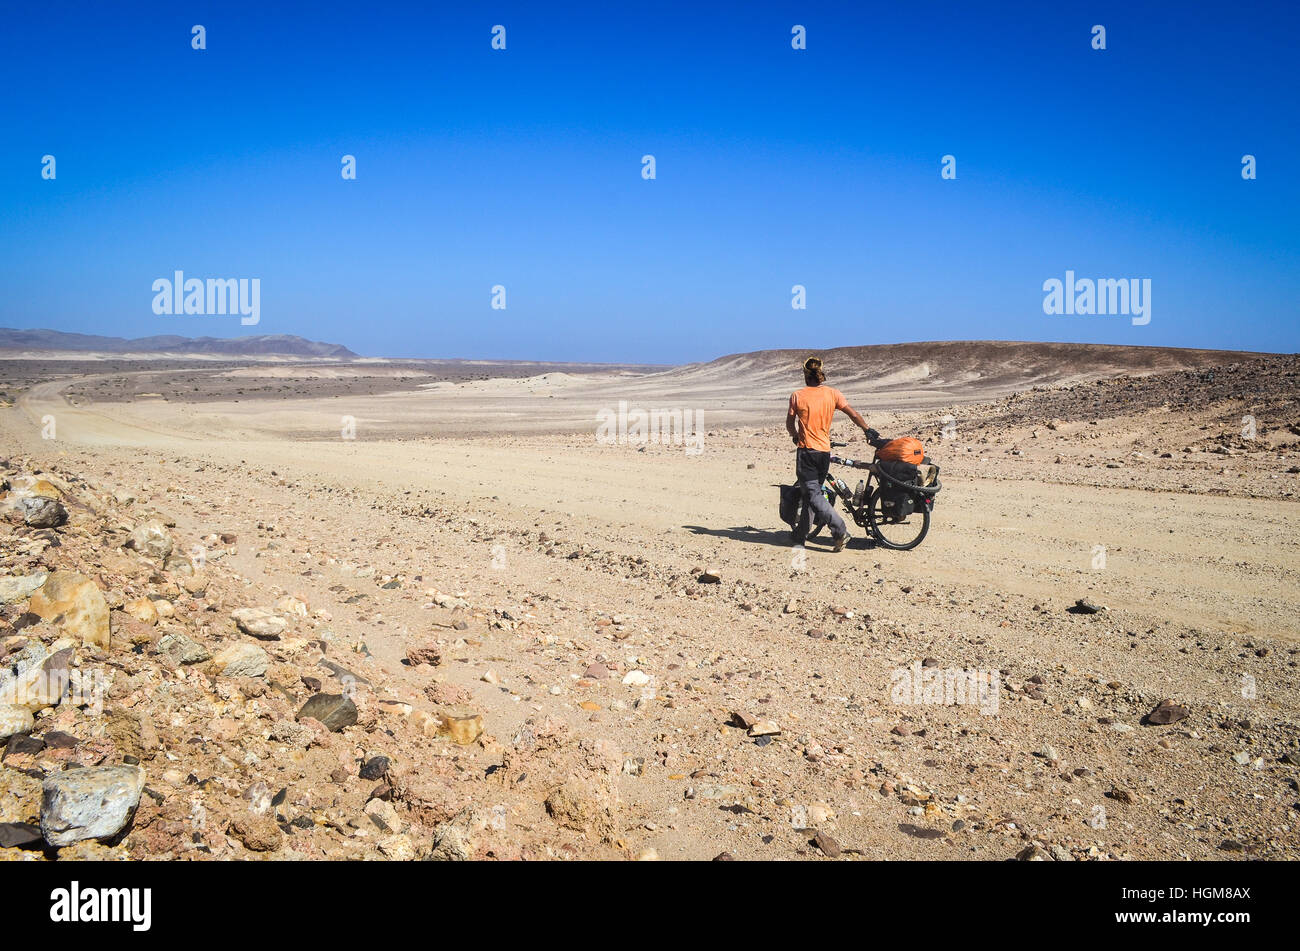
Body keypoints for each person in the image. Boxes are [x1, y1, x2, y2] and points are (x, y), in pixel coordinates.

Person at [786, 356, 875, 552]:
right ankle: (800, 535)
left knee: (814, 494)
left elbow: (789, 423)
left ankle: (840, 531)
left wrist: (794, 436)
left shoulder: (797, 396)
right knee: (811, 493)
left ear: (805, 374)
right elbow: (852, 413)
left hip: (807, 452)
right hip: (824, 452)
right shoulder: (832, 394)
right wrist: (867, 429)